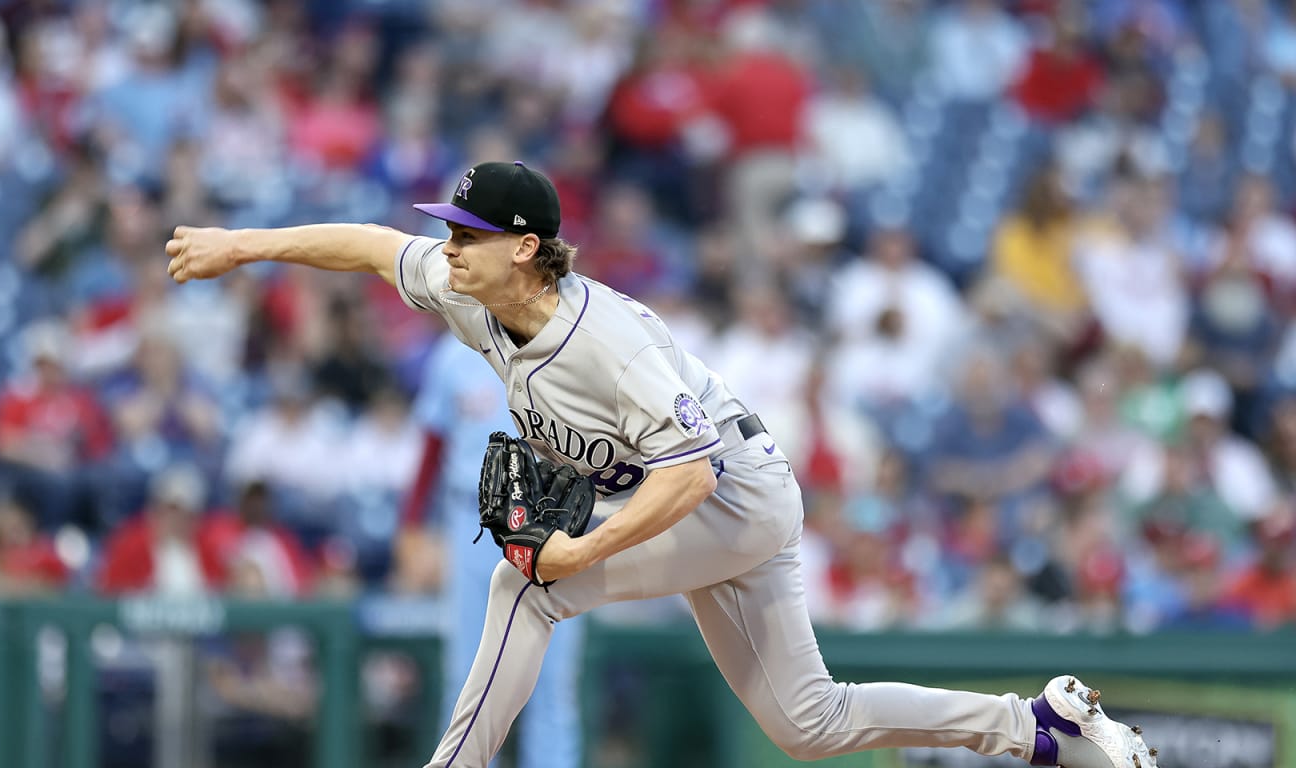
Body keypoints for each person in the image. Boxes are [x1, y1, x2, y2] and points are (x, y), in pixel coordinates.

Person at [165, 160, 1160, 768]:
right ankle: (1038, 729)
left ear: (526, 247)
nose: (448, 245)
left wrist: (578, 547)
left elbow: (689, 477)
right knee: (807, 723)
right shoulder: (469, 289)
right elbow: (372, 246)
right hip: (708, 496)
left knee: (530, 592)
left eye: (468, 233)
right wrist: (240, 245)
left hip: (732, 491)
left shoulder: (605, 340)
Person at [400, 331, 584, 768]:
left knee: (551, 682)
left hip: (550, 522)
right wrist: (410, 529)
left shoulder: (570, 342)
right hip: (473, 521)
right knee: (467, 679)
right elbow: (432, 447)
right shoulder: (454, 353)